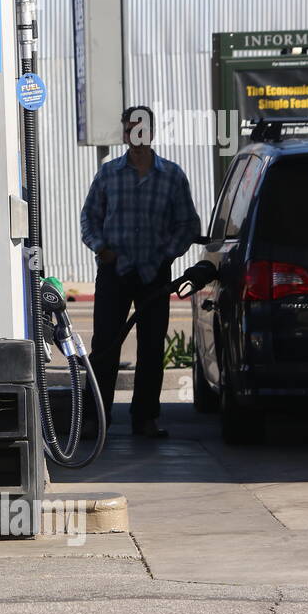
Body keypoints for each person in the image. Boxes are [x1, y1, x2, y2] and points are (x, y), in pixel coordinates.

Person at [80, 106, 200, 438]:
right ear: (123, 134)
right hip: (114, 271)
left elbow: (188, 224)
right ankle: (96, 418)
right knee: (105, 344)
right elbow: (89, 218)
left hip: (154, 275)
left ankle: (145, 417)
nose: (136, 134)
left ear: (152, 132)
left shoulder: (172, 176)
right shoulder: (108, 174)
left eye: (141, 128)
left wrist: (166, 254)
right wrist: (101, 248)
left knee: (151, 347)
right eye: (129, 128)